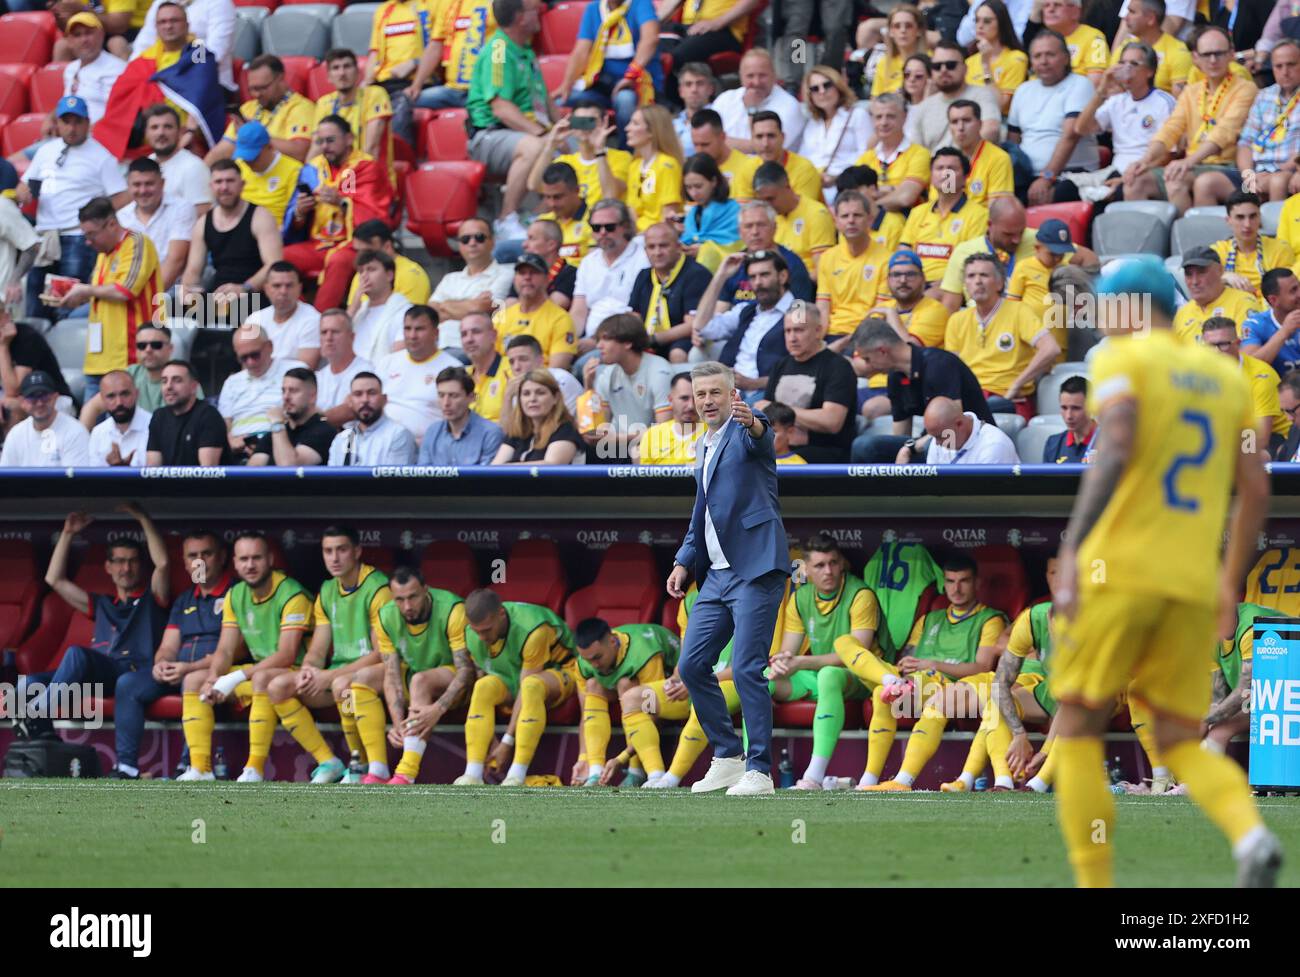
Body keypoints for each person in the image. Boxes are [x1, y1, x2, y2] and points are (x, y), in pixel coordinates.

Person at [1049, 254, 1282, 888]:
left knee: (1074, 726)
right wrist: (1229, 582)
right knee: (1182, 739)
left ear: (1127, 306)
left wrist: (1073, 549)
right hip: (1189, 583)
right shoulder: (1226, 378)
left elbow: (1117, 441)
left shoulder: (1125, 358)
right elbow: (1256, 489)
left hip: (1120, 573)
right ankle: (1250, 833)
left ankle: (1095, 883)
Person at [665, 360, 789, 796]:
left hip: (756, 568)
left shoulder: (746, 429)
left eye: (715, 393)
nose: (706, 401)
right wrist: (684, 558)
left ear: (732, 393)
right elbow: (701, 511)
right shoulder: (704, 444)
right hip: (716, 576)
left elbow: (763, 435)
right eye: (699, 395)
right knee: (692, 664)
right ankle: (727, 757)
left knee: (747, 669)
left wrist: (753, 420)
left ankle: (760, 772)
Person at [23, 504, 170, 777]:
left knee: (77, 654)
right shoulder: (103, 603)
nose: (125, 568)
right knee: (30, 682)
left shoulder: (154, 599)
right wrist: (67, 533)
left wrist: (142, 517)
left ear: (140, 565)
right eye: (119, 561)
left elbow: (162, 564)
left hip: (135, 673)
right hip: (103, 673)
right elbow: (54, 579)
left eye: (132, 561)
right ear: (108, 566)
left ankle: (37, 712)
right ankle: (43, 749)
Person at [860, 553, 1008, 791]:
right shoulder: (929, 619)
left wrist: (933, 665)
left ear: (977, 583)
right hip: (924, 686)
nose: (956, 588)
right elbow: (905, 659)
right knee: (882, 694)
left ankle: (904, 780)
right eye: (950, 581)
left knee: (934, 700)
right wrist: (905, 668)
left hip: (964, 691)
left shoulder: (989, 620)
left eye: (964, 581)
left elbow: (983, 667)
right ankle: (868, 780)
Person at [770, 533, 898, 789]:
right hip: (821, 674)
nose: (828, 571)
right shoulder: (800, 598)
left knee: (829, 674)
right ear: (805, 569)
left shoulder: (860, 595)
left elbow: (856, 656)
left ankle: (814, 776)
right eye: (819, 565)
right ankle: (755, 769)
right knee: (763, 679)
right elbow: (789, 650)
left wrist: (800, 663)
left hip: (864, 677)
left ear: (842, 564)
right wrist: (781, 663)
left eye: (833, 563)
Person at [265, 528, 390, 784]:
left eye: (341, 550)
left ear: (357, 551)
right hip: (338, 675)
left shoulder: (378, 588)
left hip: (377, 672)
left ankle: (362, 766)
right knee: (278, 687)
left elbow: (381, 654)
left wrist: (330, 675)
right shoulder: (327, 590)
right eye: (328, 551)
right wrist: (309, 670)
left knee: (341, 685)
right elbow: (318, 649)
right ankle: (328, 761)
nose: (334, 558)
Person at [193, 532, 314, 783]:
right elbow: (225, 649)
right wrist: (214, 678)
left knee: (261, 678)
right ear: (235, 563)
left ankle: (254, 769)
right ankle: (200, 769)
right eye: (244, 559)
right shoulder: (235, 595)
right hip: (260, 671)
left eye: (256, 558)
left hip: (298, 672)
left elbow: (286, 654)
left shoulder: (291, 593)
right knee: (195, 680)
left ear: (270, 559)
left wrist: (235, 677)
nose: (250, 565)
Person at [945, 555, 1064, 793]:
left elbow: (1074, 701)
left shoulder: (1092, 623)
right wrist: (1019, 734)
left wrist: (1045, 751)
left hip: (1101, 694)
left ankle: (1037, 785)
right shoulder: (1031, 619)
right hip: (1053, 690)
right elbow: (1001, 684)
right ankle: (1002, 782)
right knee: (995, 702)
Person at [360, 565, 474, 784]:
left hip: (454, 684)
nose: (407, 606)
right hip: (414, 677)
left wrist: (437, 709)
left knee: (420, 680)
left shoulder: (453, 610)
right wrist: (398, 724)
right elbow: (392, 674)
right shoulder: (386, 617)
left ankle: (406, 773)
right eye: (400, 600)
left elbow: (466, 671)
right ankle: (377, 770)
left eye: (413, 597)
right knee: (360, 681)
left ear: (426, 590)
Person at [451, 589, 579, 785]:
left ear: (501, 613)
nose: (482, 637)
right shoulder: (473, 633)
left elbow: (524, 686)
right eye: (477, 631)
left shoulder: (533, 630)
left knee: (531, 686)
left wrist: (506, 743)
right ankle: (473, 774)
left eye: (487, 630)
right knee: (483, 687)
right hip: (511, 676)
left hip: (561, 673)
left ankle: (516, 775)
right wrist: (489, 737)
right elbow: (483, 673)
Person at [1124, 26, 1257, 213]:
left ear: (1231, 54)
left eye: (1219, 53)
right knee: (1135, 182)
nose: (1213, 60)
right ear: (1195, 58)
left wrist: (1188, 162)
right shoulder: (1191, 91)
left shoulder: (1245, 88)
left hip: (1228, 167)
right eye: (1206, 54)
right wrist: (1144, 161)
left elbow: (1224, 133)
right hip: (1194, 165)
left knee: (1177, 180)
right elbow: (1170, 129)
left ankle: (1188, 240)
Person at [19, 96, 128, 322]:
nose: (72, 128)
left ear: (88, 123)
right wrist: (23, 192)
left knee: (67, 302)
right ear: (57, 124)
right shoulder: (45, 151)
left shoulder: (101, 156)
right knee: (36, 301)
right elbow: (27, 183)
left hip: (78, 236)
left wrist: (95, 221)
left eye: (78, 122)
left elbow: (122, 196)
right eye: (66, 122)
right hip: (46, 234)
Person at [56, 198, 162, 402]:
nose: (88, 241)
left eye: (92, 234)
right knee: (95, 432)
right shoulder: (104, 253)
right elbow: (100, 296)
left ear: (112, 224)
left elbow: (125, 291)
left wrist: (85, 290)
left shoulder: (137, 243)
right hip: (97, 360)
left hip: (129, 359)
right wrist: (73, 297)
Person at [285, 115, 394, 312]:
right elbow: (297, 222)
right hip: (319, 243)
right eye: (321, 141)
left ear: (349, 139)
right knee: (281, 258)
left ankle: (321, 324)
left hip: (355, 244)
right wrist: (300, 212)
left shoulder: (366, 167)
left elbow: (373, 214)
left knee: (339, 261)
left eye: (331, 140)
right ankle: (297, 317)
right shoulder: (313, 168)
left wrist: (342, 202)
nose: (325, 146)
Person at [466, 0, 553, 241]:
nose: (539, 12)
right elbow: (501, 108)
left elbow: (546, 103)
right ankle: (506, 218)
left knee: (580, 149)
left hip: (522, 131)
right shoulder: (498, 50)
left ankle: (535, 217)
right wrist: (544, 135)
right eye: (533, 9)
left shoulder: (525, 50)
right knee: (536, 146)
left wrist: (566, 132)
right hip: (489, 136)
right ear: (519, 17)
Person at [849, 318, 993, 463]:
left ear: (882, 351)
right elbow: (901, 435)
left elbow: (952, 430)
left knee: (865, 447)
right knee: (874, 450)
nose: (868, 365)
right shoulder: (896, 377)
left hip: (970, 442)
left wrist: (910, 447)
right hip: (935, 442)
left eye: (867, 359)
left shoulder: (939, 364)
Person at [945, 252, 1061, 416]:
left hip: (1008, 400)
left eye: (984, 275)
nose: (977, 281)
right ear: (965, 284)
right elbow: (952, 369)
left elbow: (1051, 349)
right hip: (970, 398)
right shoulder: (957, 319)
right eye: (971, 276)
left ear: (1000, 283)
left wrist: (1016, 384)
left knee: (961, 418)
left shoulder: (1019, 311)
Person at [158, 531, 232, 781]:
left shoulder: (236, 593)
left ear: (221, 557)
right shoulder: (184, 599)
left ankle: (190, 764)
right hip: (179, 671)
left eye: (206, 554)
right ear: (185, 562)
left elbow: (232, 649)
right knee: (129, 685)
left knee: (194, 681)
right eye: (193, 556)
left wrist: (187, 668)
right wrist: (161, 663)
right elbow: (168, 646)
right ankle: (126, 767)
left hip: (217, 672)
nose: (199, 562)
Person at [1066, 42, 1176, 204]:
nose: (1126, 69)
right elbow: (1081, 128)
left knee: (1111, 195)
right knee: (1064, 189)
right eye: (1122, 63)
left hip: (1147, 172)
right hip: (1115, 170)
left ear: (1150, 72)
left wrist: (1129, 177)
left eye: (1134, 64)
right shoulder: (1116, 101)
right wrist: (1101, 91)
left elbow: (1170, 154)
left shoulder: (1164, 102)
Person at [574, 617, 680, 785]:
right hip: (633, 695)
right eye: (588, 660)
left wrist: (623, 757)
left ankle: (636, 771)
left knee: (626, 685)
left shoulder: (644, 653)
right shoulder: (583, 662)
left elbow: (653, 714)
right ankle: (595, 771)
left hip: (678, 691)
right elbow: (584, 716)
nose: (593, 665)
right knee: (592, 684)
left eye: (597, 657)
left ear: (613, 641)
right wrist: (583, 757)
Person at [180, 161, 283, 325]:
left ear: (242, 184)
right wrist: (188, 290)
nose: (224, 187)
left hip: (255, 293)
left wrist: (245, 288)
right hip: (219, 294)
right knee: (166, 311)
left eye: (230, 181)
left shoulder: (260, 216)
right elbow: (193, 269)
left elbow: (274, 264)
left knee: (234, 313)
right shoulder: (203, 222)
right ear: (211, 186)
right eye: (219, 182)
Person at [1007, 31, 1101, 206]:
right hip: (1028, 174)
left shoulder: (1079, 84)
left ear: (1066, 58)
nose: (1043, 61)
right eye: (1037, 56)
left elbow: (1070, 136)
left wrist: (1047, 177)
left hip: (1071, 174)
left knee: (1046, 197)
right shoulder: (1023, 90)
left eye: (1050, 54)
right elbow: (1014, 140)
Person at [757, 302, 855, 463]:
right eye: (788, 331)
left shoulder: (838, 366)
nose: (792, 338)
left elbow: (832, 421)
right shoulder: (781, 365)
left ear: (818, 331)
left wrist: (780, 410)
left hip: (824, 453)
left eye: (799, 330)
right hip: (779, 449)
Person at [551, 0, 662, 138]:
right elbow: (581, 51)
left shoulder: (641, 4)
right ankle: (582, 150)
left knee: (625, 101)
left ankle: (627, 153)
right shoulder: (593, 9)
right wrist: (566, 85)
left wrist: (630, 76)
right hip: (600, 85)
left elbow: (650, 39)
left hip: (636, 84)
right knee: (558, 103)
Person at [1207, 41, 1300, 205]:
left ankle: (1278, 231)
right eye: (1279, 66)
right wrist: (1249, 175)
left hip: (1288, 170)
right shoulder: (1264, 96)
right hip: (1255, 171)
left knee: (1277, 182)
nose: (1285, 72)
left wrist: (1277, 171)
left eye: (1291, 65)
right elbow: (1245, 143)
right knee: (1206, 183)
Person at [695, 250, 794, 402]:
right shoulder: (746, 310)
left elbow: (804, 369)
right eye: (753, 277)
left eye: (764, 275)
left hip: (768, 396)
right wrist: (720, 276)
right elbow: (702, 326)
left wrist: (753, 383)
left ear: (782, 276)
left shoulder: (799, 310)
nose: (758, 283)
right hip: (729, 394)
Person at [584, 312, 674, 458]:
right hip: (620, 448)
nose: (599, 346)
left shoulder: (659, 371)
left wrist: (618, 438)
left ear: (628, 343)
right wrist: (588, 387)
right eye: (598, 340)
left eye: (606, 339)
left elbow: (665, 430)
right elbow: (599, 425)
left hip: (655, 449)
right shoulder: (608, 373)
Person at [899, 148, 989, 289]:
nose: (945, 174)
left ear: (966, 177)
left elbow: (975, 263)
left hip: (952, 289)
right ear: (931, 176)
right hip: (913, 287)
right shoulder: (918, 212)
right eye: (939, 168)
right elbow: (904, 254)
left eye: (951, 169)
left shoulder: (980, 215)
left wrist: (947, 284)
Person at [1201, 316, 1291, 451]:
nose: (1216, 352)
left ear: (1238, 343)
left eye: (1222, 345)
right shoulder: (1200, 373)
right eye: (1210, 346)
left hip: (1276, 442)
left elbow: (1260, 439)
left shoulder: (1260, 376)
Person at [219, 326, 308, 462]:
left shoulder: (295, 370)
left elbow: (309, 412)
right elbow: (225, 424)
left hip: (283, 443)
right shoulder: (232, 382)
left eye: (255, 355)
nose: (250, 362)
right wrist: (230, 440)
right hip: (241, 449)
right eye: (243, 358)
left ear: (270, 347)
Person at [207, 54, 314, 165]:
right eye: (252, 89)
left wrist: (253, 135)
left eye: (262, 88)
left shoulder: (301, 108)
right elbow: (224, 149)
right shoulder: (248, 108)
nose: (256, 94)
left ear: (281, 78)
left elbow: (300, 152)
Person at [1008, 217, 1100, 345]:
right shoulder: (1023, 267)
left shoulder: (1066, 271)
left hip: (1060, 339)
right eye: (1052, 254)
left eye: (1061, 254)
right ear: (1037, 248)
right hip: (1031, 341)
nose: (1057, 258)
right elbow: (1012, 305)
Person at [376, 306, 462, 440]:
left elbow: (458, 420)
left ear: (436, 333)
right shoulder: (387, 362)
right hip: (381, 440)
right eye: (407, 328)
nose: (412, 336)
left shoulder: (453, 367)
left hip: (426, 447)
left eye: (419, 329)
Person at [628, 222, 711, 361]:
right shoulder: (643, 275)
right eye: (651, 247)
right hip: (648, 337)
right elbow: (634, 315)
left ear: (678, 247)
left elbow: (693, 324)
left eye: (664, 246)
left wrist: (653, 339)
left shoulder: (696, 274)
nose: (657, 252)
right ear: (645, 250)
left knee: (677, 353)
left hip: (683, 339)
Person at [570, 199, 648, 346]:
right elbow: (578, 311)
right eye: (596, 227)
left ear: (625, 226)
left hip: (626, 342)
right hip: (589, 341)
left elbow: (640, 314)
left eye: (610, 227)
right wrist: (569, 341)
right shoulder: (588, 262)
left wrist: (597, 341)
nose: (603, 232)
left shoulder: (644, 257)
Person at [939, 196, 1037, 312]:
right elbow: (949, 306)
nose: (1017, 240)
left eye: (1021, 232)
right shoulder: (964, 251)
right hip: (981, 324)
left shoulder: (1039, 242)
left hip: (1026, 323)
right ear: (990, 225)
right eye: (1008, 234)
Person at [311, 48, 394, 180]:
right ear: (328, 77)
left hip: (371, 182)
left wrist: (345, 185)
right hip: (336, 184)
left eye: (347, 66)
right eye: (336, 68)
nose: (342, 73)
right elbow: (316, 148)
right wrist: (306, 178)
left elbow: (371, 148)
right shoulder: (324, 103)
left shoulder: (375, 94)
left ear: (358, 73)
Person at [908, 41, 1003, 152]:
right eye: (937, 66)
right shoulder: (923, 108)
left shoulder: (982, 94)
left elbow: (991, 131)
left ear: (965, 69)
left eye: (950, 65)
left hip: (974, 166)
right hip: (935, 168)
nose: (943, 70)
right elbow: (916, 151)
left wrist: (958, 161)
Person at [116, 157, 192, 293]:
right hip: (128, 291)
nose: (143, 190)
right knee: (78, 313)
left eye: (149, 184)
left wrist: (147, 299)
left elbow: (176, 261)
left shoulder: (182, 208)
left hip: (170, 289)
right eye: (137, 185)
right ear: (128, 186)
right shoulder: (121, 217)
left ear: (162, 183)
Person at [406, 0, 496, 112]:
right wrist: (416, 85)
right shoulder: (447, 3)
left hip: (485, 90)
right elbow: (435, 45)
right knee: (406, 101)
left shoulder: (495, 3)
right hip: (453, 90)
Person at [752, 162, 835, 283]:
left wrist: (791, 283)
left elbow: (822, 271)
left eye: (771, 199)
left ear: (787, 187)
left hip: (805, 287)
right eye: (763, 201)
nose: (767, 206)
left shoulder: (816, 214)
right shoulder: (768, 217)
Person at [709, 50, 804, 153]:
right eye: (750, 76)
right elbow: (708, 139)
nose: (756, 82)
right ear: (741, 77)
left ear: (774, 75)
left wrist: (752, 109)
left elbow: (767, 149)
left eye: (762, 75)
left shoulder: (790, 105)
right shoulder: (725, 99)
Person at [493, 253, 577, 369]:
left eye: (534, 272)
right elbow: (490, 361)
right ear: (514, 280)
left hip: (539, 382)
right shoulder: (502, 317)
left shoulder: (560, 319)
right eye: (522, 273)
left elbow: (557, 371)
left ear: (547, 279)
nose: (527, 277)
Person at [851, 93, 929, 214]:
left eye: (890, 116)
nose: (883, 122)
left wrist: (869, 204)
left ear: (904, 117)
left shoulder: (919, 154)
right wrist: (894, 189)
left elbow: (905, 198)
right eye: (878, 117)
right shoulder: (865, 158)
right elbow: (852, 197)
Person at [133, 0, 236, 91]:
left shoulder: (219, 3)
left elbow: (215, 54)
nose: (168, 26)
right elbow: (142, 46)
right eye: (163, 22)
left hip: (208, 83)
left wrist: (171, 76)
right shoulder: (159, 3)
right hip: (158, 80)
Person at [798, 67, 870, 198]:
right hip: (813, 189)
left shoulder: (857, 115)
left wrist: (837, 178)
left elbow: (867, 157)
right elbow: (803, 160)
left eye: (827, 85)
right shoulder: (813, 123)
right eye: (815, 89)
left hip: (847, 189)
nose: (822, 92)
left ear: (838, 86)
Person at [1210, 192, 1295, 298]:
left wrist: (1254, 293)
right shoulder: (1217, 251)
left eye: (1253, 216)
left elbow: (1288, 292)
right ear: (1228, 221)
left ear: (1259, 218)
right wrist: (1225, 277)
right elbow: (1205, 286)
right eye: (1240, 217)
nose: (1247, 224)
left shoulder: (1280, 249)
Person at [491, 368, 585, 465]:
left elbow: (551, 466)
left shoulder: (566, 429)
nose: (532, 399)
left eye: (540, 393)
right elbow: (495, 467)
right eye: (526, 394)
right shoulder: (518, 431)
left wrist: (507, 467)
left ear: (555, 398)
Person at [246, 368, 337, 467]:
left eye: (293, 391)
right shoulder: (276, 433)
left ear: (312, 396)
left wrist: (277, 423)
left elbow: (289, 467)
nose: (286, 397)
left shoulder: (324, 431)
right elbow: (252, 469)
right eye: (283, 391)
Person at [1172, 246, 1265, 341]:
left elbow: (1249, 352)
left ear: (1220, 270)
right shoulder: (1182, 314)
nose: (1195, 281)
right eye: (1188, 274)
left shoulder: (1243, 304)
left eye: (1201, 272)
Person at [0, 372, 92, 467]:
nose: (39, 403)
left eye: (44, 396)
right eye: (32, 398)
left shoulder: (75, 431)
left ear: (55, 397)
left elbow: (77, 479)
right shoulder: (16, 434)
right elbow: (5, 475)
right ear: (23, 402)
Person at [145, 360, 228, 466]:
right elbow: (152, 471)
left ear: (194, 387)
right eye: (164, 381)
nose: (169, 386)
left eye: (177, 380)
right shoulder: (158, 417)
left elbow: (208, 473)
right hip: (166, 482)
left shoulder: (209, 416)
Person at [417, 365, 504, 465]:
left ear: (471, 397)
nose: (446, 403)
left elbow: (488, 477)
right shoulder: (432, 432)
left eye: (454, 396)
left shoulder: (490, 433)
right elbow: (423, 474)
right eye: (441, 395)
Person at [326, 372, 418, 466]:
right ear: (350, 401)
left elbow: (395, 480)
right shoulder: (341, 439)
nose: (365, 400)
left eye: (372, 393)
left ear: (384, 399)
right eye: (358, 394)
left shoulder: (398, 435)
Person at [242, 263, 322, 370]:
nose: (283, 291)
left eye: (289, 286)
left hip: (294, 384)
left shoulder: (313, 319)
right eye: (277, 286)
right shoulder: (254, 319)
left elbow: (305, 371)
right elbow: (247, 365)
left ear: (299, 288)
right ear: (266, 289)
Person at [228, 121, 305, 230]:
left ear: (270, 147)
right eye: (245, 157)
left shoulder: (294, 170)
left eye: (254, 157)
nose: (249, 162)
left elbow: (295, 220)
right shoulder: (239, 165)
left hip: (272, 232)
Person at [525, 160, 602, 268]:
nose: (552, 204)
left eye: (558, 197)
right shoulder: (542, 223)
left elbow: (595, 267)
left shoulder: (596, 220)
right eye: (547, 197)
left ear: (577, 190)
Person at [345, 219, 433, 311]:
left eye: (367, 251)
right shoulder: (362, 273)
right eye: (357, 251)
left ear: (387, 247)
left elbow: (409, 321)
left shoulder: (411, 275)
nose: (361, 257)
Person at [1109, 0, 1191, 97]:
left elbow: (1180, 103)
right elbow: (1111, 88)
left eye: (1132, 12)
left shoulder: (1178, 53)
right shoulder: (1125, 47)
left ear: (1151, 19)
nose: (1126, 18)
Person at [872, 249, 952, 348]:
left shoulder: (936, 310)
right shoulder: (882, 307)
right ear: (888, 281)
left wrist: (891, 314)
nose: (903, 280)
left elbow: (910, 351)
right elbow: (861, 351)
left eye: (910, 274)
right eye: (896, 275)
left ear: (923, 279)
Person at [624, 105, 684, 233]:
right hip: (637, 235)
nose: (627, 128)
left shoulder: (667, 165)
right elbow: (631, 211)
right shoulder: (635, 165)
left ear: (652, 131)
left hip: (658, 237)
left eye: (635, 124)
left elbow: (669, 215)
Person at [1, 317, 69, 429]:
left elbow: (14, 390)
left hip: (51, 398)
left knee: (10, 407)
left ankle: (14, 446)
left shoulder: (27, 337)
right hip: (21, 398)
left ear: (7, 316)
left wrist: (3, 347)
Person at [945, 100, 1014, 209]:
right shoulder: (946, 162)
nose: (960, 128)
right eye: (954, 122)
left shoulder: (998, 158)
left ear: (980, 124)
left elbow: (997, 209)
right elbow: (945, 202)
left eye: (966, 120)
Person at [965, 0, 1028, 115]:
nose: (980, 26)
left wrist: (986, 66)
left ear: (1001, 23)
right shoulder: (969, 62)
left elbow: (999, 105)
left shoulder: (1016, 58)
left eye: (987, 21)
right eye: (977, 20)